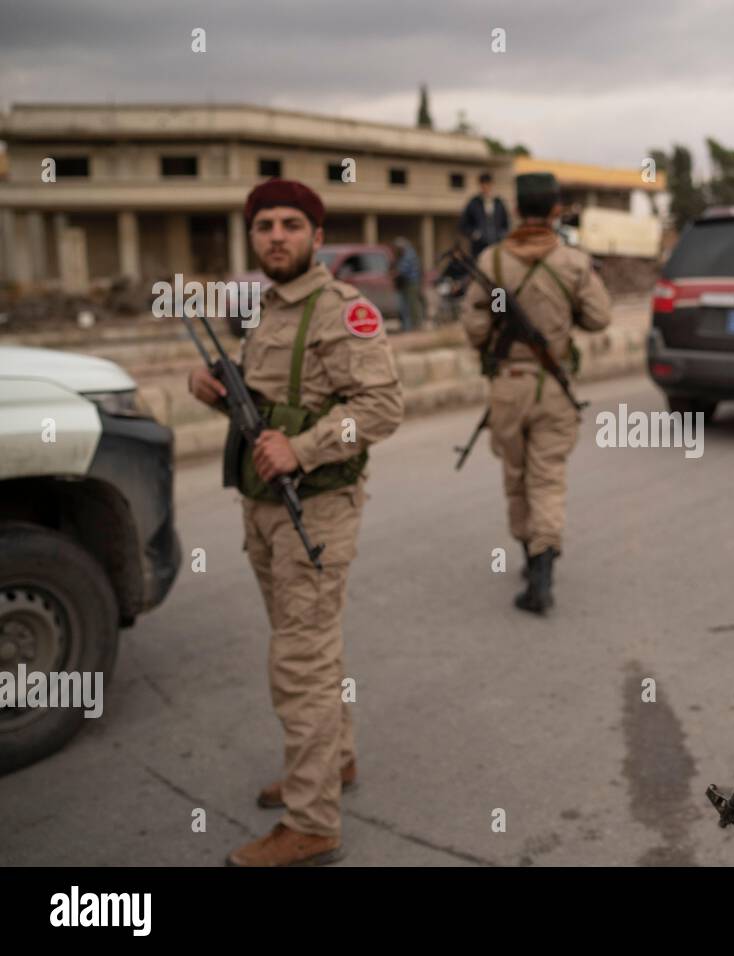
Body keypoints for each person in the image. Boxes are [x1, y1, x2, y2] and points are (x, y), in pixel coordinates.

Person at [187, 179, 403, 866]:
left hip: (317, 507)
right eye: (263, 226)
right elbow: (268, 413)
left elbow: (383, 409)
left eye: (290, 224)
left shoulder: (346, 311)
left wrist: (304, 449)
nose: (275, 235)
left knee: (300, 663)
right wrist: (218, 396)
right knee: (306, 643)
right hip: (263, 505)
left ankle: (311, 822)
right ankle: (331, 761)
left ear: (316, 236)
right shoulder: (265, 311)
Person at [462, 172, 611, 614]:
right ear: (554, 210)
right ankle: (543, 571)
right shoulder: (573, 262)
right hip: (555, 386)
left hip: (509, 384)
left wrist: (500, 325)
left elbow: (473, 328)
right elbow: (599, 317)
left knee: (516, 475)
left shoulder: (491, 262)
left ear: (516, 207)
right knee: (547, 477)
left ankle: (531, 559)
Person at [458, 172, 510, 258]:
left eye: (488, 184)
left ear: (492, 185)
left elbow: (506, 224)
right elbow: (463, 225)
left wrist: (501, 234)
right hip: (479, 247)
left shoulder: (499, 203)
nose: (486, 187)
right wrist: (475, 234)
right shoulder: (473, 203)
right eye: (483, 184)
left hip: (497, 246)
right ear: (480, 185)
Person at [390, 237, 425, 332]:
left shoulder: (409, 254)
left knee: (413, 304)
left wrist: (395, 273)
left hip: (411, 282)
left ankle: (417, 325)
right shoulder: (402, 254)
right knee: (405, 305)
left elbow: (403, 270)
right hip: (405, 283)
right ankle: (408, 326)